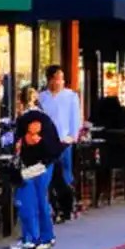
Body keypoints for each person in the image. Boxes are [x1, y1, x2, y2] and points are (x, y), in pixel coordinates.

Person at [11, 86, 63, 249]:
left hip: (32, 165)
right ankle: (44, 237)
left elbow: (19, 145)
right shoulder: (44, 117)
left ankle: (32, 238)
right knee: (40, 199)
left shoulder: (24, 120)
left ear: (21, 102)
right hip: (45, 163)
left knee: (27, 201)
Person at [38, 65, 81, 223]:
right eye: (56, 78)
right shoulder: (42, 97)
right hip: (47, 143)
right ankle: (53, 207)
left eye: (61, 78)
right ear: (50, 80)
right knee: (48, 177)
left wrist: (72, 136)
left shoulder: (70, 96)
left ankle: (67, 208)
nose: (59, 82)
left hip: (64, 141)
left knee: (64, 176)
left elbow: (75, 118)